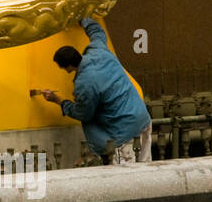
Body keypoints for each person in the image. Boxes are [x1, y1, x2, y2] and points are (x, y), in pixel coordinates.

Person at [39, 18, 152, 165]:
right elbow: (97, 32)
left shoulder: (85, 84)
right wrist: (82, 17)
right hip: (142, 119)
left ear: (67, 68)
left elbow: (83, 113)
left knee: (127, 179)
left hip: (124, 134)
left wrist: (59, 101)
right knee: (147, 171)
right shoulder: (98, 50)